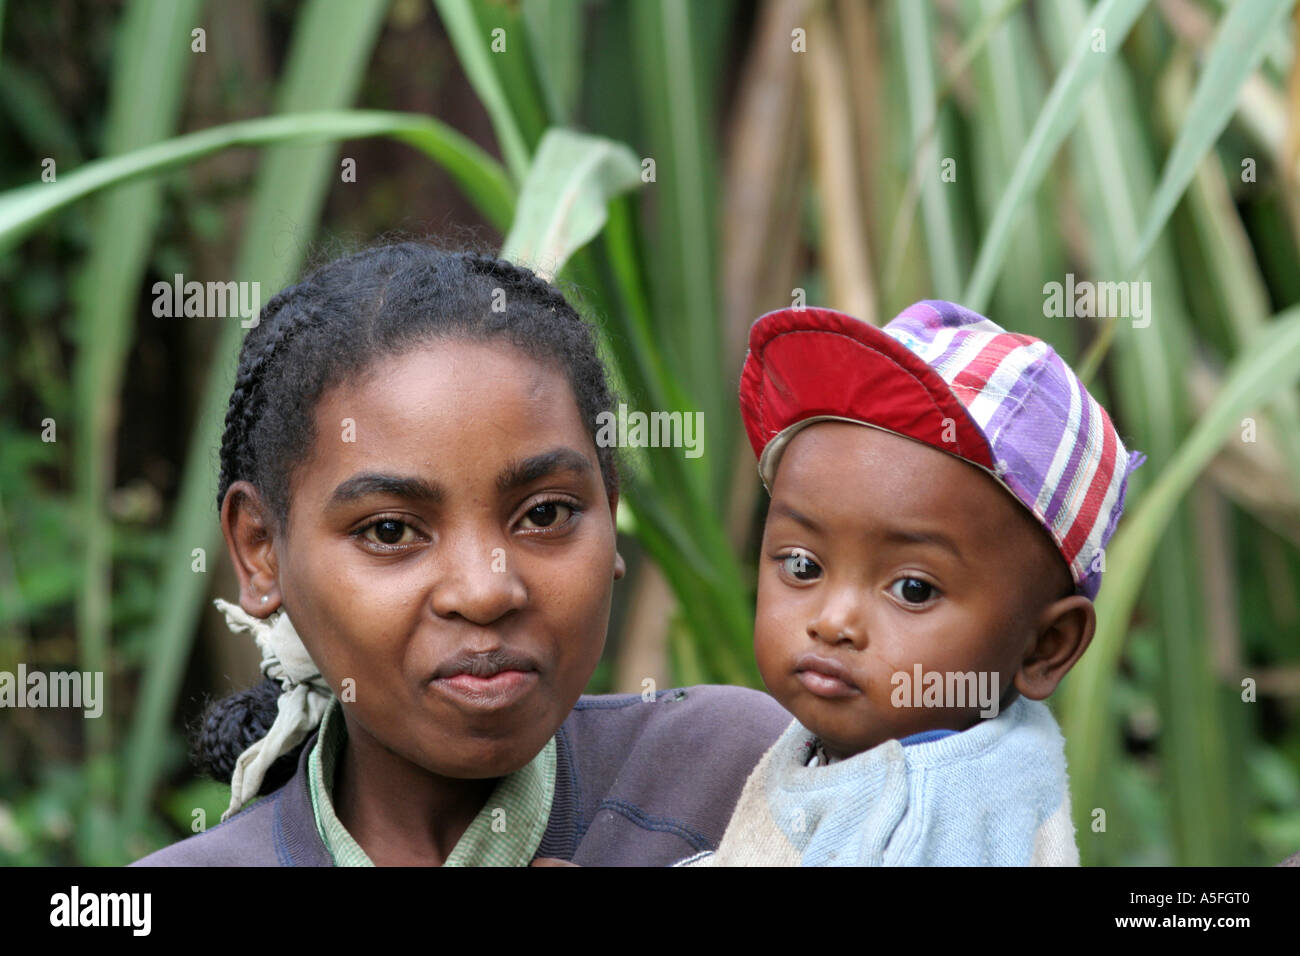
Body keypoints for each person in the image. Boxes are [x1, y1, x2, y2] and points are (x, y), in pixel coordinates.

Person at [131, 242, 788, 867]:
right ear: (260, 552)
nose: (485, 591)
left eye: (545, 515)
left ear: (610, 512)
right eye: (390, 532)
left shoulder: (738, 776)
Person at [681, 300, 1144, 866]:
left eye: (913, 590)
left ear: (1047, 645)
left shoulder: (925, 815)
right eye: (803, 565)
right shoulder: (909, 737)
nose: (832, 622)